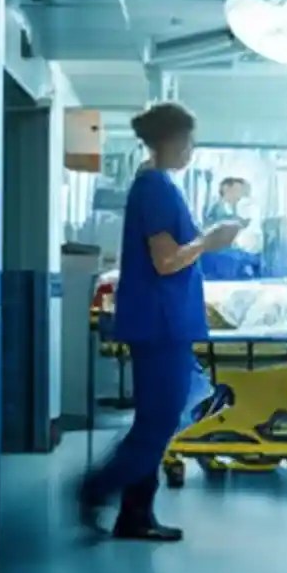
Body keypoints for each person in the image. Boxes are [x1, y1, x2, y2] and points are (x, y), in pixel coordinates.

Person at [77, 102, 241, 541]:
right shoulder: (154, 189)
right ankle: (94, 488)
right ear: (170, 141)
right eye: (188, 141)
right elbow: (167, 261)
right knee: (160, 422)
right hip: (159, 325)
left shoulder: (158, 185)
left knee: (158, 419)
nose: (192, 150)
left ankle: (135, 515)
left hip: (164, 321)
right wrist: (212, 240)